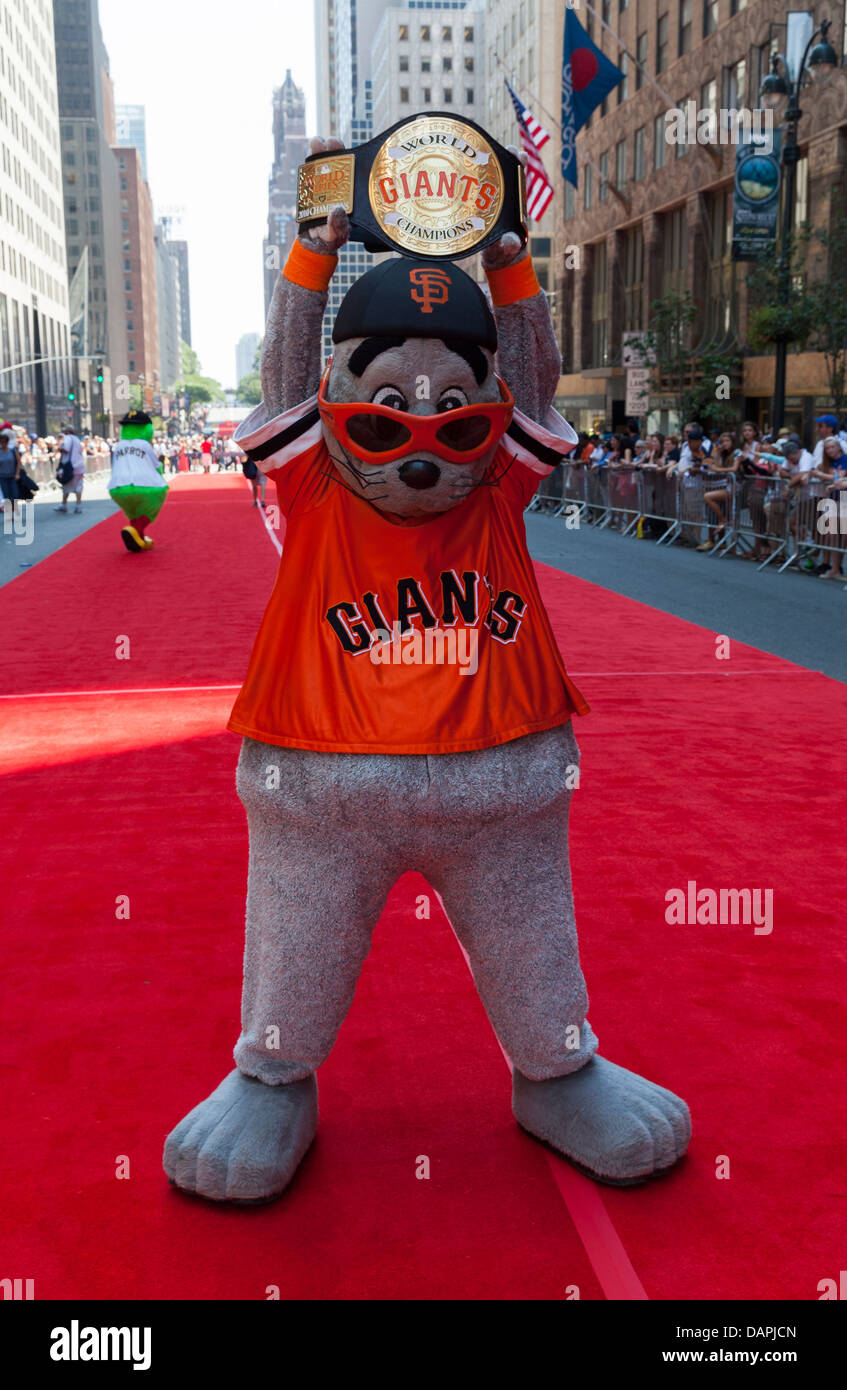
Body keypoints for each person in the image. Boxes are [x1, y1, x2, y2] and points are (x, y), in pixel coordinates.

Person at [696, 430, 738, 550]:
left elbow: (733, 469)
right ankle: (720, 541)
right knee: (712, 510)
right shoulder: (722, 454)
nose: (724, 443)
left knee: (708, 498)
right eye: (722, 441)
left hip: (734, 488)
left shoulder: (736, 453)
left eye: (727, 441)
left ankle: (723, 522)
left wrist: (717, 469)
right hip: (723, 486)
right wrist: (717, 457)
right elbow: (717, 466)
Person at [813, 436, 847, 579]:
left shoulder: (845, 459)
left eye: (832, 447)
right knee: (832, 535)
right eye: (827, 448)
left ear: (839, 447)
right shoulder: (828, 463)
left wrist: (821, 474)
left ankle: (837, 567)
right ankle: (834, 569)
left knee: (843, 536)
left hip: (844, 498)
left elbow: (840, 477)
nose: (829, 450)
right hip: (833, 499)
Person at [54, 427, 85, 513]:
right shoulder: (77, 439)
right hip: (79, 466)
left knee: (66, 485)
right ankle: (78, 505)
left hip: (70, 466)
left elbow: (66, 450)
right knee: (78, 486)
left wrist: (59, 448)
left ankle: (64, 505)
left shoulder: (67, 438)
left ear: (67, 431)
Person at [0, 425, 21, 515]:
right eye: (1, 442)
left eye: (4, 442)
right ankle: (10, 514)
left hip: (12, 476)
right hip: (3, 477)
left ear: (7, 442)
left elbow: (19, 462)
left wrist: (17, 474)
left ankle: (13, 509)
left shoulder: (13, 450)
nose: (3, 443)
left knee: (15, 495)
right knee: (7, 497)